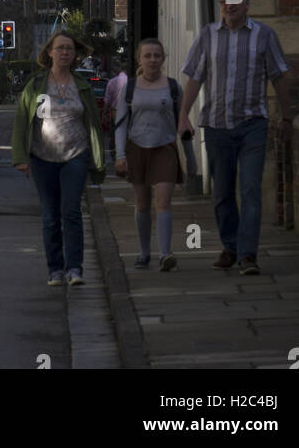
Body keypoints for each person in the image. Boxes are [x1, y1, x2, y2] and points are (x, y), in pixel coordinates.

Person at [178, 0, 291, 276]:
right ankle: (230, 246)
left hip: (253, 123)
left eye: (235, 1)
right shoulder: (207, 35)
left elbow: (279, 76)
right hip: (216, 125)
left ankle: (248, 255)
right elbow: (194, 78)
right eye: (223, 2)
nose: (229, 6)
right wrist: (183, 115)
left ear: (247, 4)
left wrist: (287, 118)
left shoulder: (264, 35)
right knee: (222, 193)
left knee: (251, 190)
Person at [12, 30, 105, 287]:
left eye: (69, 49)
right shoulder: (37, 84)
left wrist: (97, 157)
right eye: (60, 48)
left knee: (71, 211)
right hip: (42, 157)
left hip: (75, 154)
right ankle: (55, 269)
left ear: (75, 55)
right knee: (50, 215)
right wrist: (21, 157)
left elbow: (94, 124)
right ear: (49, 52)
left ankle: (74, 268)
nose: (65, 53)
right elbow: (22, 121)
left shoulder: (82, 86)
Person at [114, 40, 183, 271]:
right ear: (139, 59)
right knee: (142, 203)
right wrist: (120, 155)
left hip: (165, 148)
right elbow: (121, 124)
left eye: (157, 55)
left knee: (163, 201)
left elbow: (184, 124)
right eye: (148, 56)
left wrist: (190, 160)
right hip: (137, 148)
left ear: (163, 58)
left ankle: (165, 254)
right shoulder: (130, 88)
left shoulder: (173, 87)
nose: (152, 60)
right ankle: (144, 253)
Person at [103, 65, 128, 159]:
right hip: (128, 111)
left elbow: (107, 100)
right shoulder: (131, 81)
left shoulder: (112, 81)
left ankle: (116, 154)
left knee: (115, 132)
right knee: (126, 133)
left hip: (115, 111)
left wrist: (105, 113)